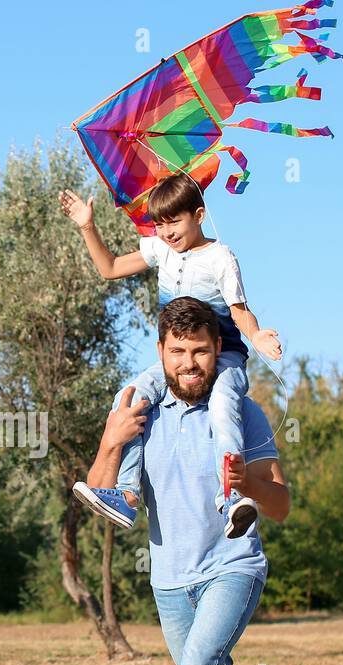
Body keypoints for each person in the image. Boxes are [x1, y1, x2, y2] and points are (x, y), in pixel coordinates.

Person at [84, 295, 301, 665]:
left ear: (218, 350)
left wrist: (246, 481)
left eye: (200, 351)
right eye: (177, 351)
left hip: (233, 566)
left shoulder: (243, 413)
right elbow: (105, 498)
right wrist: (111, 440)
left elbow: (281, 505)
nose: (189, 363)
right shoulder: (139, 410)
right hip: (170, 579)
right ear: (161, 352)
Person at [61, 175, 281, 538]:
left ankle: (231, 497)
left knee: (223, 406)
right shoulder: (159, 249)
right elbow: (110, 269)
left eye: (173, 221)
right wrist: (87, 226)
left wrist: (256, 335)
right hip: (176, 363)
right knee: (128, 398)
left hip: (221, 360)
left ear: (198, 214)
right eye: (159, 223)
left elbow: (240, 310)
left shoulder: (220, 257)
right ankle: (128, 495)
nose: (166, 231)